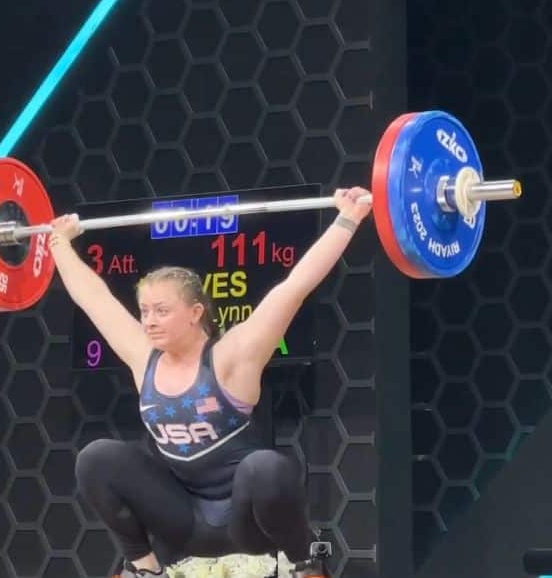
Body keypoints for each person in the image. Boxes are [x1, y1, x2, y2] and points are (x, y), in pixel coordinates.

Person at [51, 188, 372, 578]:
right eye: (145, 311)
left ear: (195, 312)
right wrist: (59, 243)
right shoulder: (142, 355)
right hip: (182, 522)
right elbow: (93, 298)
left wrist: (348, 218)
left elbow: (295, 287)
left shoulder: (233, 356)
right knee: (96, 459)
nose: (149, 321)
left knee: (266, 468)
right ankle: (144, 569)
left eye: (162, 311)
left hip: (245, 524)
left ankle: (304, 564)